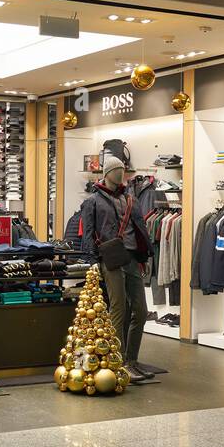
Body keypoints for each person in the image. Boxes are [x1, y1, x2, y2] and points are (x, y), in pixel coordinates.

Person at [80, 155, 154, 381]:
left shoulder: (131, 199)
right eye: (116, 170)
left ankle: (132, 359)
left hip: (132, 258)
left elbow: (139, 228)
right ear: (107, 173)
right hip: (110, 259)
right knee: (118, 309)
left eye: (122, 169)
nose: (120, 173)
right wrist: (93, 262)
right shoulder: (92, 201)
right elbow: (88, 234)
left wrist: (145, 254)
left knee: (140, 310)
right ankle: (118, 362)